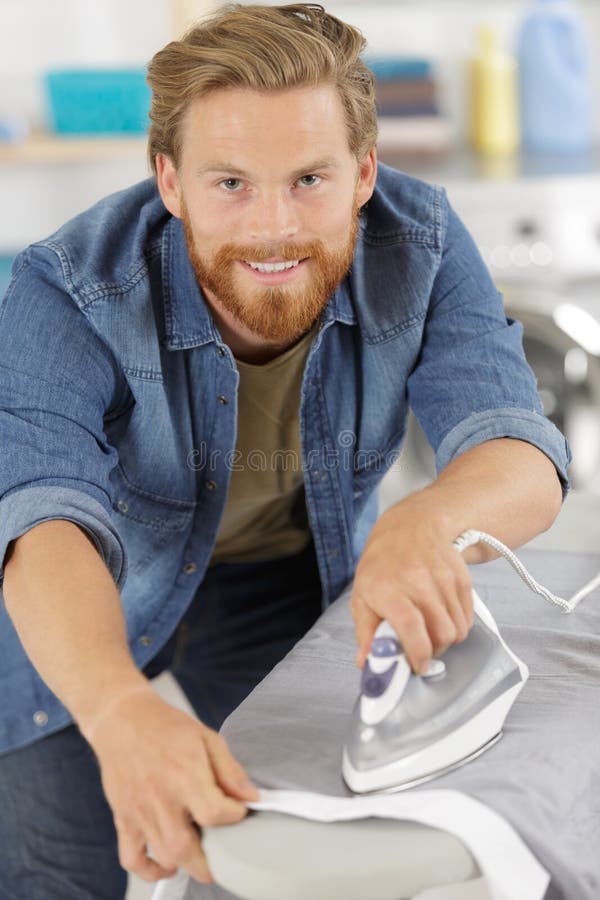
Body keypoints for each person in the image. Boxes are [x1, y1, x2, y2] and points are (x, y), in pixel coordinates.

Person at [0, 3, 569, 897]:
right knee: (64, 870)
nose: (274, 226)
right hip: (79, 603)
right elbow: (39, 522)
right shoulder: (65, 288)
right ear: (171, 182)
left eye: (309, 177)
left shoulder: (421, 244)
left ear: (365, 173)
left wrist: (428, 521)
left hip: (285, 580)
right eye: (231, 183)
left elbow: (518, 443)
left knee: (289, 851)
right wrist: (117, 711)